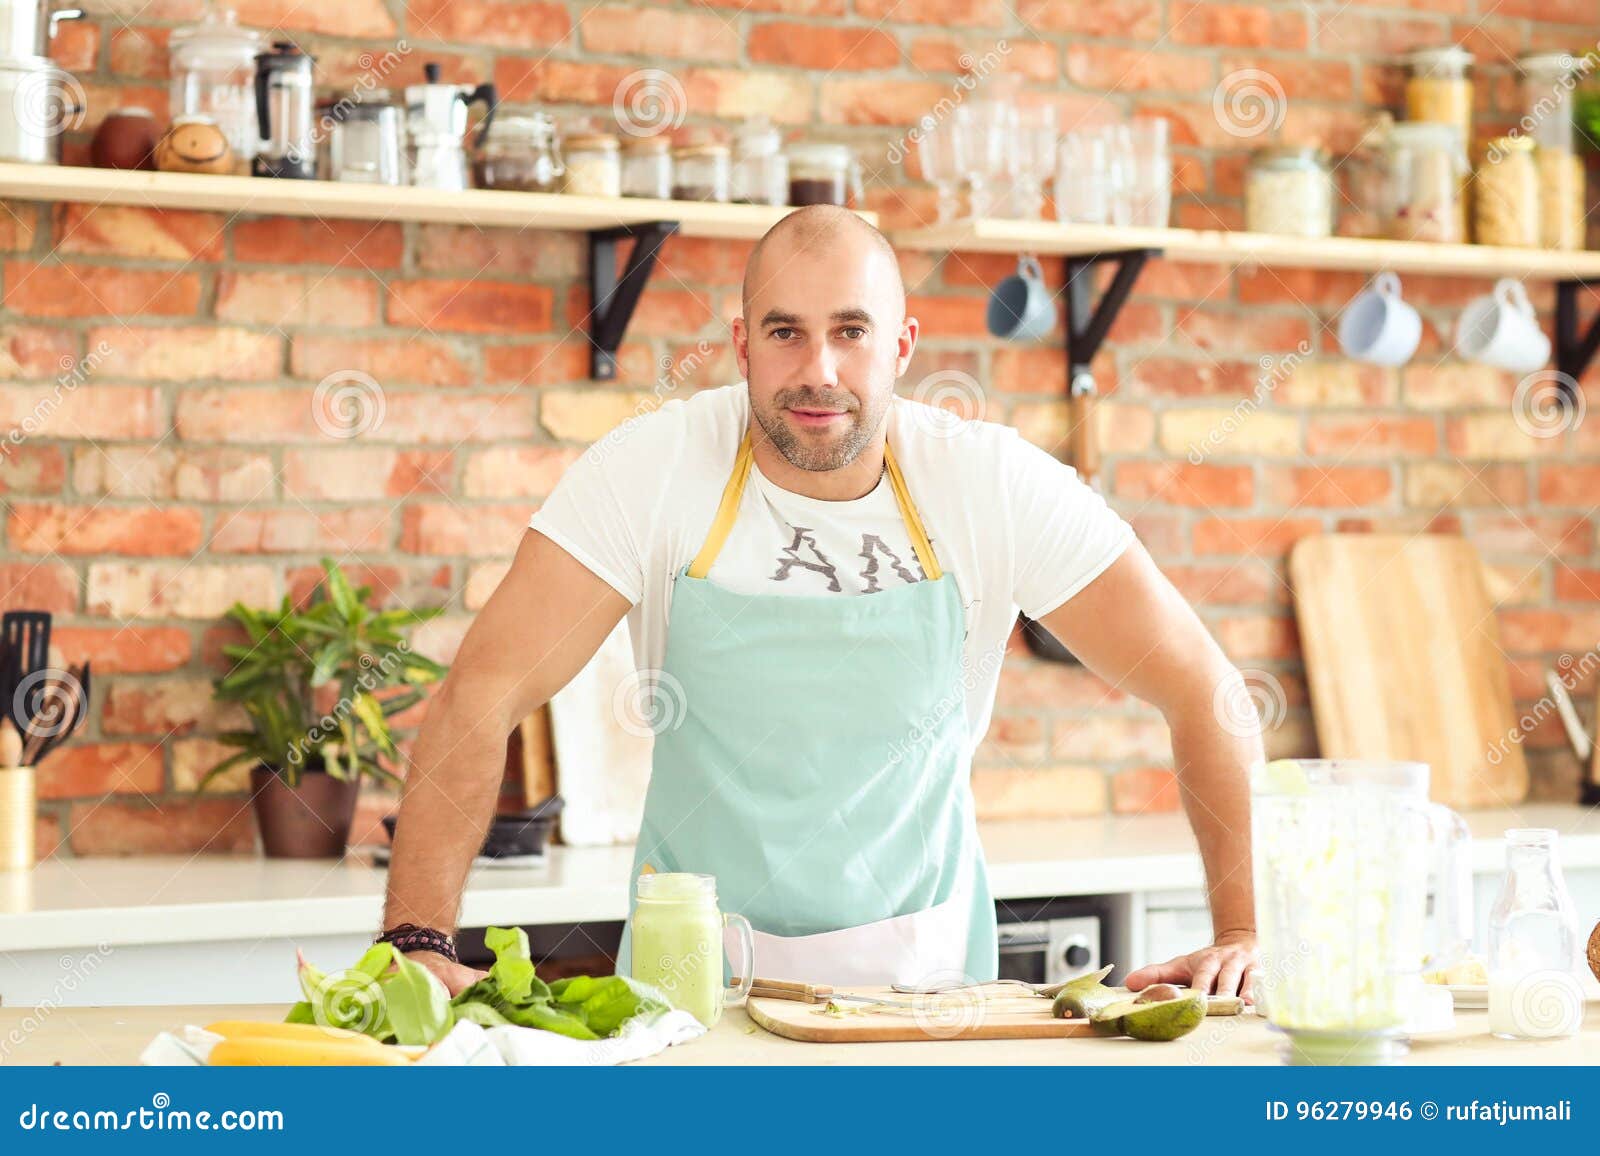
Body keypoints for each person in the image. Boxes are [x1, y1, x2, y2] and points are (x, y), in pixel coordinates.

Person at [381, 204, 1260, 1000]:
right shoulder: (650, 469)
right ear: (742, 346)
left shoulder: (989, 483)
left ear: (902, 346)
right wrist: (416, 941)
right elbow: (482, 692)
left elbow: (1204, 688)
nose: (819, 370)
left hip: (925, 997)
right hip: (694, 997)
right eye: (785, 333)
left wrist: (1245, 933)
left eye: (850, 331)